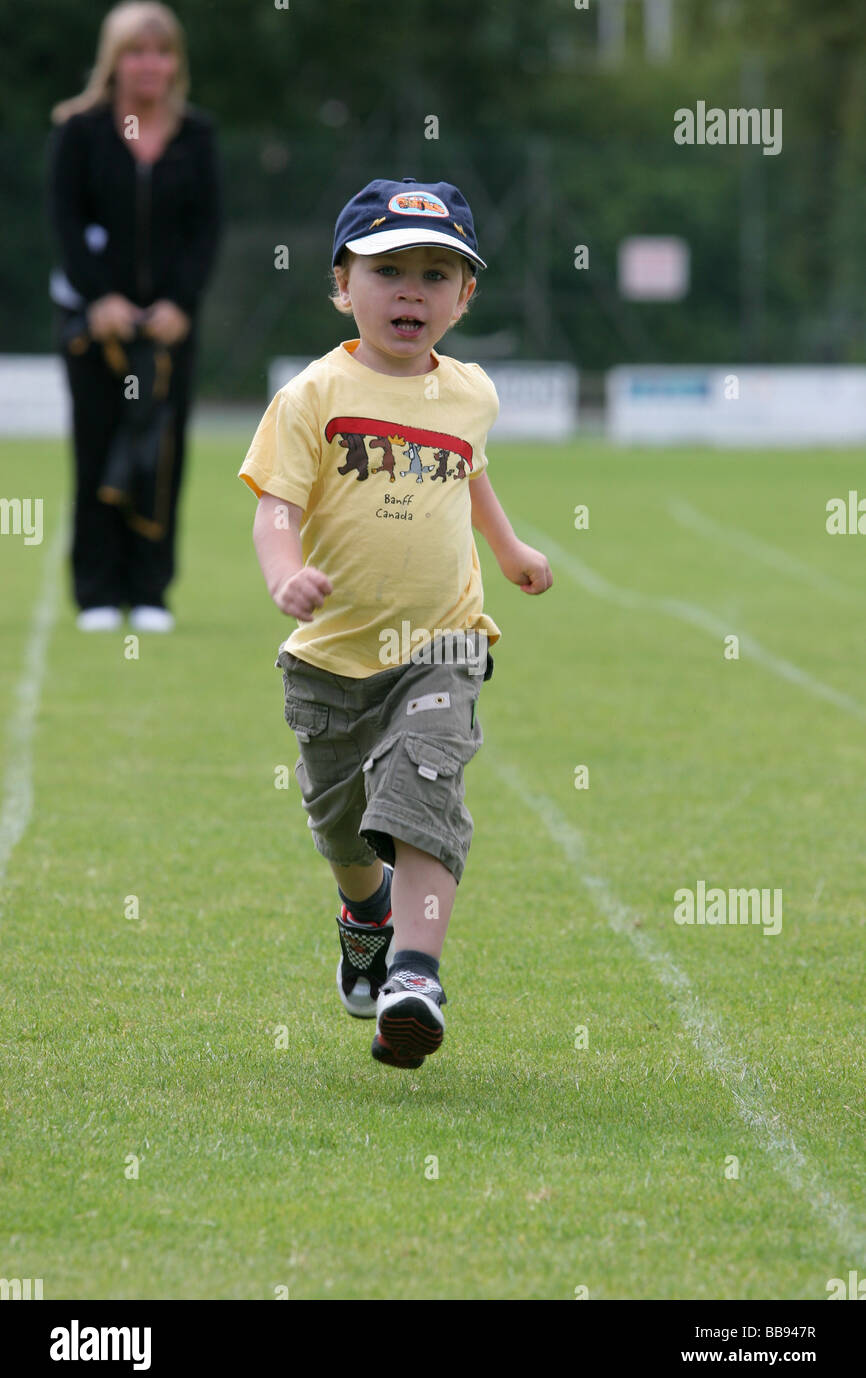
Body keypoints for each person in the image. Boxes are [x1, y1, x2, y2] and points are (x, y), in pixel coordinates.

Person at [239, 177, 552, 1068]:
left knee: (422, 790)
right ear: (344, 284)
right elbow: (273, 508)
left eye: (436, 273)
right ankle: (365, 915)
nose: (411, 290)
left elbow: (471, 473)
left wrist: (511, 549)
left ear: (465, 296)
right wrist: (284, 573)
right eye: (388, 270)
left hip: (444, 644)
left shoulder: (470, 394)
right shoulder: (313, 395)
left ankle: (415, 976)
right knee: (342, 830)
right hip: (332, 660)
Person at [46, 1, 222, 633]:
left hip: (172, 328)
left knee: (162, 452)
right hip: (97, 326)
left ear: (175, 61)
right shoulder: (79, 129)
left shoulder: (196, 134)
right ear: (114, 59)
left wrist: (180, 303)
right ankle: (96, 591)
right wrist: (101, 300)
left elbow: (206, 232)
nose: (150, 64)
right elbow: (65, 223)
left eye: (162, 50)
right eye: (136, 51)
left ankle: (150, 589)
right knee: (96, 448)